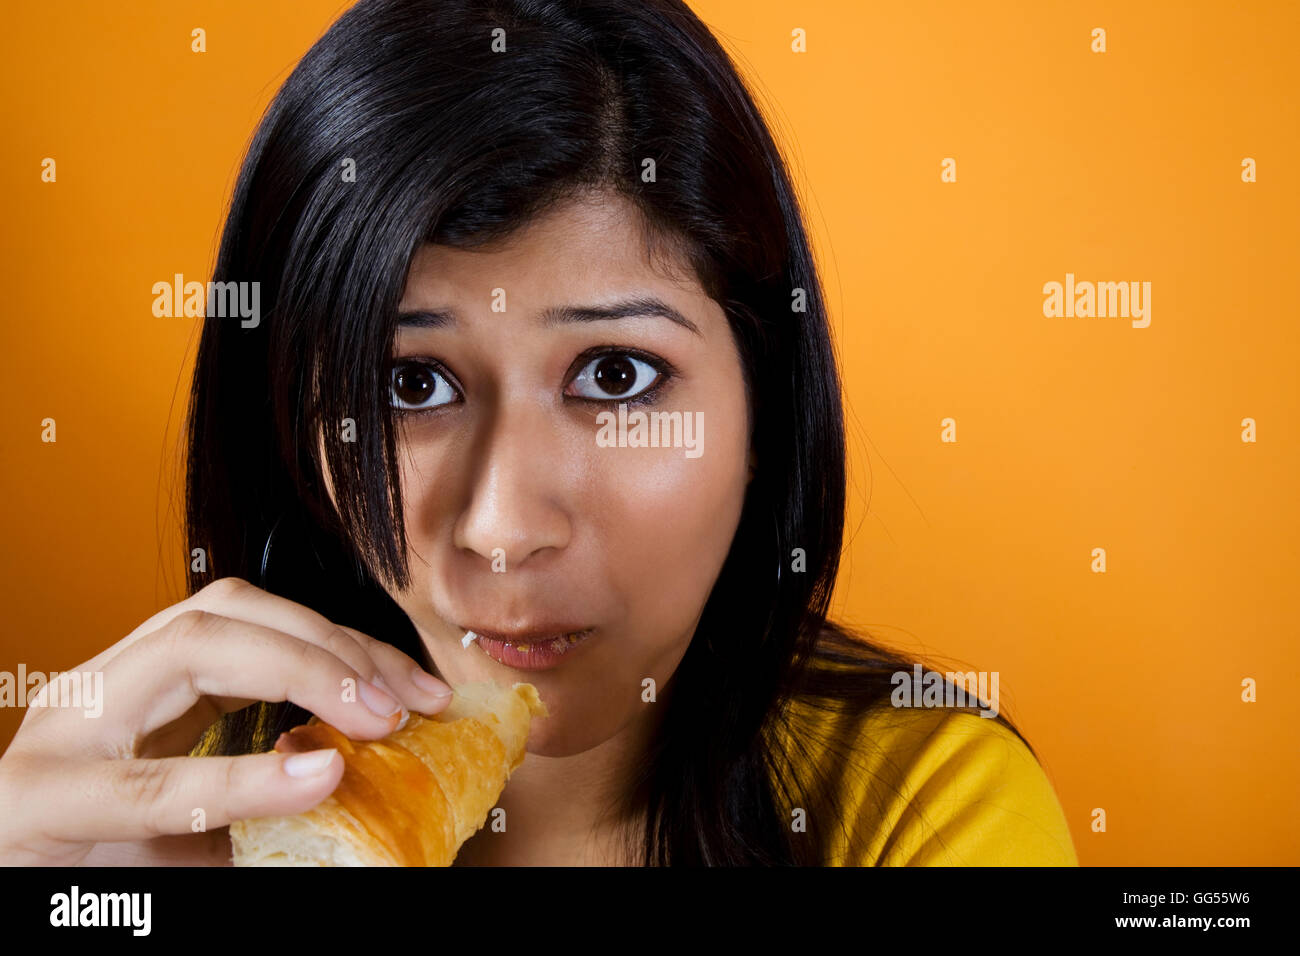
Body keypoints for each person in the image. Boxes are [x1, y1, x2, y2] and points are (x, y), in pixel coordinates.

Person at [0, 0, 1076, 866]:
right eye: (410, 382)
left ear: (764, 407)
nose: (506, 530)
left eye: (616, 376)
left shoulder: (926, 810)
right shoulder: (187, 817)